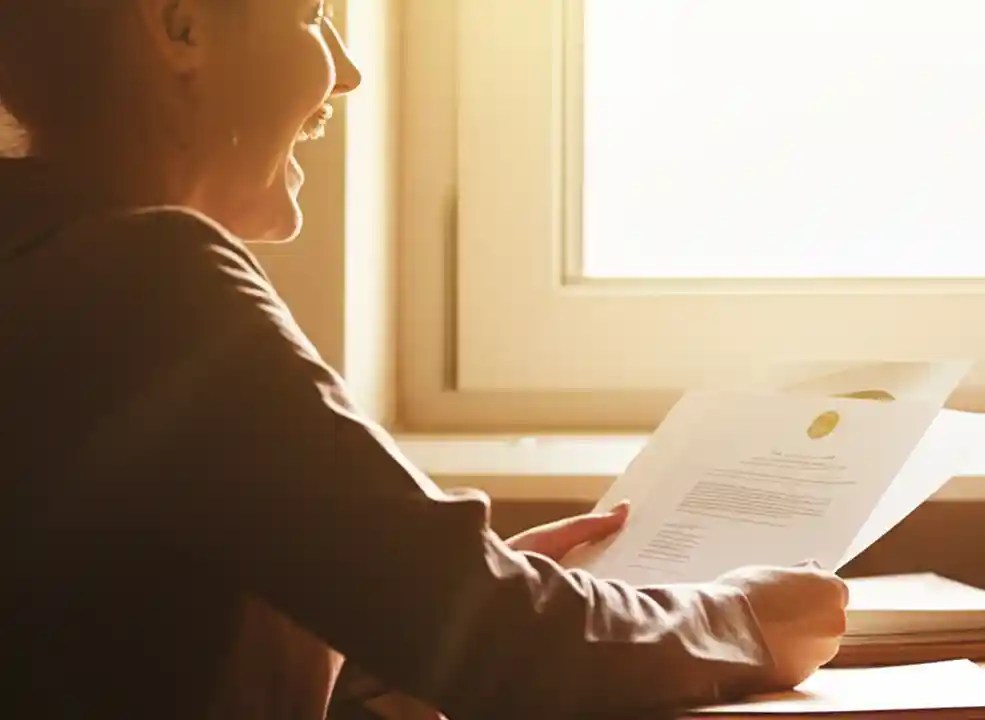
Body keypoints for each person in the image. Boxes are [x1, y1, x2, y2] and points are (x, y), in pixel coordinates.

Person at [0, 1, 849, 718]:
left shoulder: (45, 265)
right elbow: (498, 640)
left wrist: (384, 640)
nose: (345, 74)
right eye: (313, 15)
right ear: (180, 26)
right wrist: (735, 617)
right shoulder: (151, 280)